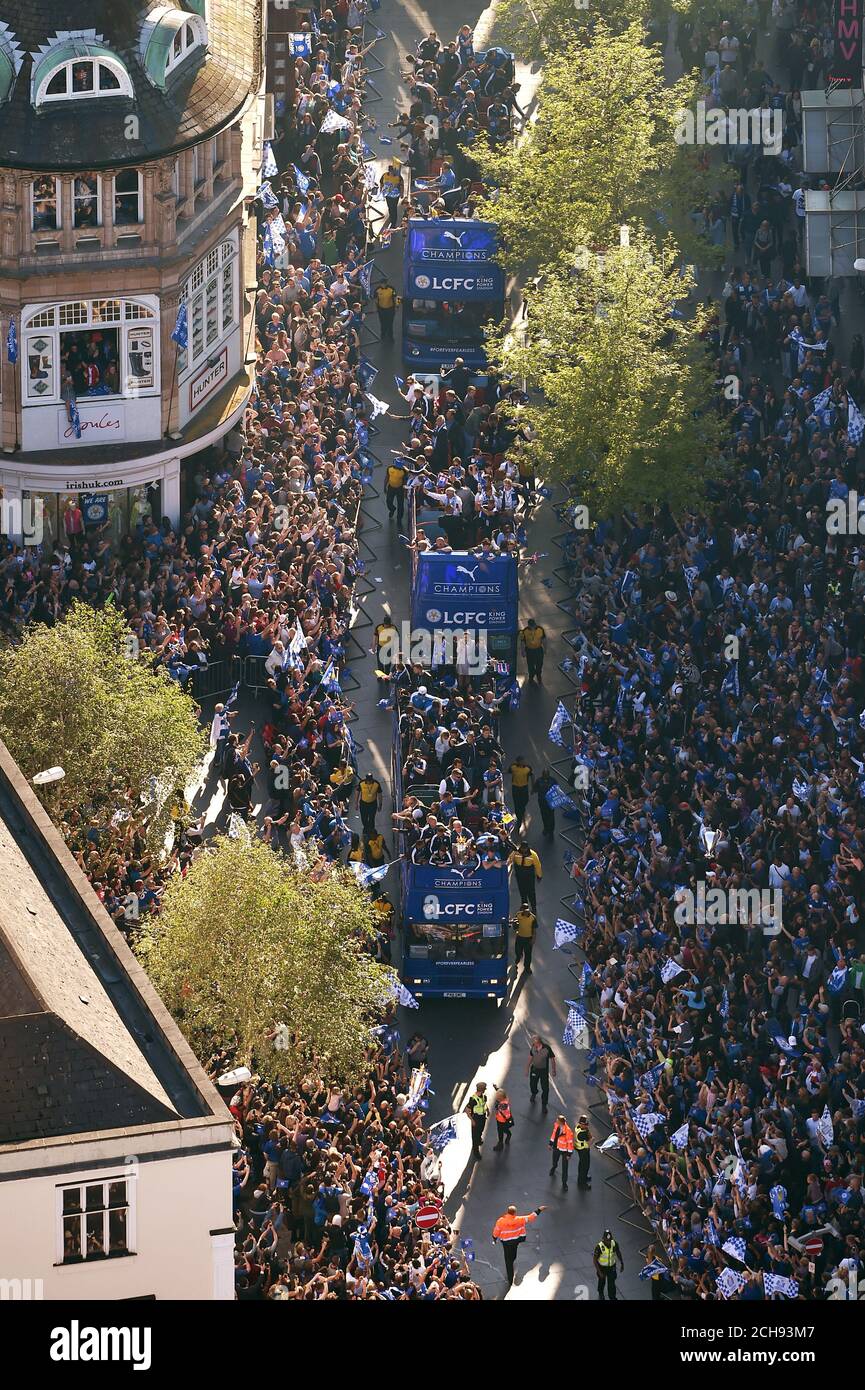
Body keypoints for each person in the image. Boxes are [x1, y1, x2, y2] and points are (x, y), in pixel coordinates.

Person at [492, 1205, 545, 1289]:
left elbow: (496, 1231)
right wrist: (539, 1210)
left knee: (508, 1260)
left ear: (508, 1212)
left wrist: (494, 1238)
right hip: (516, 1240)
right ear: (514, 1213)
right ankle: (513, 1258)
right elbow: (531, 1217)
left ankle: (510, 1278)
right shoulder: (519, 1220)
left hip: (506, 1242)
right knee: (513, 1252)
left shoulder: (501, 1221)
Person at [509, 840, 542, 912]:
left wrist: (539, 875)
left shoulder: (533, 855)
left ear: (527, 848)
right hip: (520, 874)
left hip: (529, 875)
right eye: (522, 848)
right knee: (522, 891)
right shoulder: (516, 852)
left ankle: (533, 906)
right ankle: (524, 906)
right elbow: (510, 859)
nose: (523, 850)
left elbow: (537, 865)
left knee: (531, 891)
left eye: (525, 848)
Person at [526, 1035, 556, 1112]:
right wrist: (527, 1068)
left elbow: (552, 1058)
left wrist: (553, 1070)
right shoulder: (533, 1047)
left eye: (534, 1042)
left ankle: (544, 1104)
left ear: (539, 1042)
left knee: (545, 1089)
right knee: (532, 1084)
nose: (532, 1044)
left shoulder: (546, 1048)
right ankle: (534, 1092)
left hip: (543, 1071)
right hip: (534, 1070)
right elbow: (530, 1057)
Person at [594, 1228, 624, 1300]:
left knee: (611, 1283)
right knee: (602, 1281)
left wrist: (622, 1263)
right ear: (603, 1238)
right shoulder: (599, 1247)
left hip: (611, 1267)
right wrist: (599, 1271)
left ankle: (612, 1297)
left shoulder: (614, 1243)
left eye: (610, 1240)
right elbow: (594, 1260)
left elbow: (618, 1252)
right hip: (602, 1267)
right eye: (607, 1240)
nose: (608, 1242)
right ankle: (601, 1293)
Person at [464, 1080, 489, 1160]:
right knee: (475, 1135)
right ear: (481, 1090)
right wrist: (472, 1120)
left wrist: (487, 1110)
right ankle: (476, 1151)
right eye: (484, 1089)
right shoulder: (473, 1099)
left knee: (481, 1130)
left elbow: (484, 1104)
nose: (485, 1090)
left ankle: (479, 1139)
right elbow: (467, 1110)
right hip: (476, 1118)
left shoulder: (484, 1096)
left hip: (482, 1117)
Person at [549, 1114, 574, 1190]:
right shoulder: (556, 1126)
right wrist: (550, 1143)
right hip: (556, 1148)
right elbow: (553, 1134)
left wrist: (569, 1154)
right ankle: (554, 1167)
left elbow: (570, 1143)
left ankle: (564, 1183)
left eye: (558, 1120)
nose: (556, 1121)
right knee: (555, 1160)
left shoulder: (568, 1131)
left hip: (565, 1152)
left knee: (565, 1168)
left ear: (561, 1122)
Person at [508, 755, 533, 830]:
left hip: (524, 787)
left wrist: (533, 787)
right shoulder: (513, 767)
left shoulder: (527, 768)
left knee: (525, 800)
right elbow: (509, 770)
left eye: (523, 761)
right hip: (515, 787)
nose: (523, 762)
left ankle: (522, 809)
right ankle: (519, 817)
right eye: (521, 761)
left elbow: (532, 776)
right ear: (518, 762)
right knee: (517, 803)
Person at [519, 618, 546, 682]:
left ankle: (538, 675)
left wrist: (545, 648)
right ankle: (531, 677)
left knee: (539, 664)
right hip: (529, 650)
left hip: (538, 649)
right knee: (530, 665)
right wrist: (523, 651)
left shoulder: (540, 629)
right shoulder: (524, 631)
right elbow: (522, 642)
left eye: (534, 626)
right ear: (529, 625)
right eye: (531, 626)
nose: (533, 627)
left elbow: (544, 640)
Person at [533, 768, 557, 841]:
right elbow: (535, 788)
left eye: (547, 774)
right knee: (544, 816)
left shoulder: (553, 780)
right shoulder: (539, 780)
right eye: (544, 774)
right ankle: (546, 828)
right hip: (542, 802)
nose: (545, 776)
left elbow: (557, 789)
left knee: (551, 817)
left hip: (550, 802)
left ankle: (551, 832)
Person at [513, 901, 537, 975]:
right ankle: (518, 957)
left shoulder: (533, 918)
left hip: (528, 939)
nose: (527, 913)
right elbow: (515, 924)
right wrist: (515, 926)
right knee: (517, 950)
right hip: (520, 937)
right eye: (525, 911)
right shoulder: (518, 915)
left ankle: (527, 967)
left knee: (528, 954)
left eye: (528, 912)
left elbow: (534, 930)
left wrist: (533, 939)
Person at [374, 277, 398, 341]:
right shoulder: (377, 290)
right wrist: (377, 308)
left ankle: (390, 336)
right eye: (382, 283)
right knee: (383, 323)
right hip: (381, 309)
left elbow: (396, 298)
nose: (383, 285)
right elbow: (376, 299)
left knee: (390, 323)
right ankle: (383, 335)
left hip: (390, 309)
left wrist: (396, 306)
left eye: (384, 283)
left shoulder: (391, 289)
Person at [575, 1114, 592, 1189]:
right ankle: (582, 1183)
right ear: (581, 1124)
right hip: (583, 1150)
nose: (587, 1126)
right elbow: (589, 1141)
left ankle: (584, 1177)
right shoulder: (582, 1133)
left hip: (580, 1148)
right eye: (585, 1124)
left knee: (583, 1164)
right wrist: (593, 1139)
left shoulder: (578, 1127)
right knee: (584, 1166)